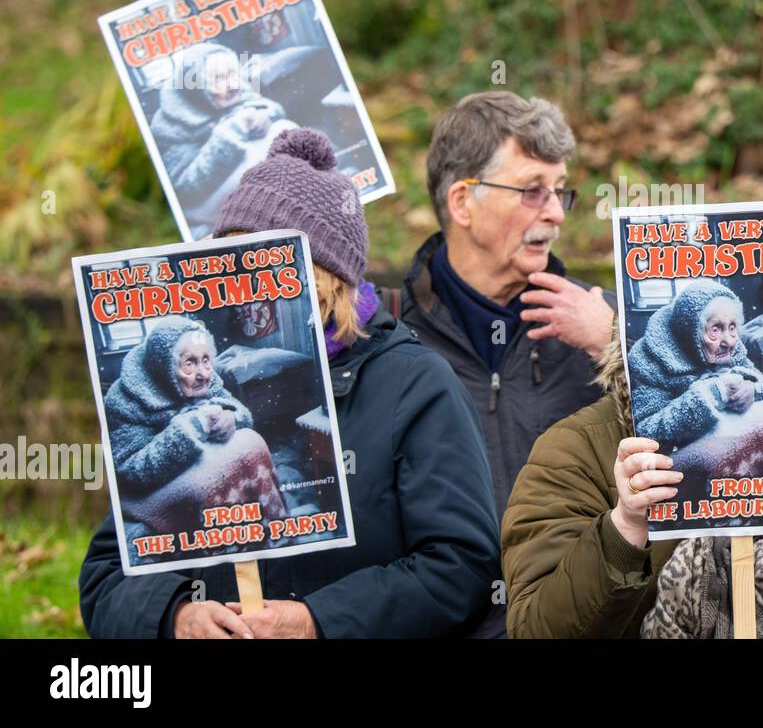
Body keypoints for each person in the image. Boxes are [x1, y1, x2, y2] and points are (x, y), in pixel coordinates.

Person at [80, 129, 500, 638]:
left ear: (328, 280)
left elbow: (463, 566)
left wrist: (316, 622)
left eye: (265, 264)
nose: (243, 290)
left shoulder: (413, 383)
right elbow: (105, 577)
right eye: (228, 262)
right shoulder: (184, 386)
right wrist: (174, 617)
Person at [500, 338, 763, 638]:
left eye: (729, 336)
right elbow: (538, 627)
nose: (714, 353)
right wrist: (623, 529)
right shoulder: (577, 450)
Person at [394, 91, 616, 636]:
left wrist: (616, 345)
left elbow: (696, 462)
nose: (557, 212)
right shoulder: (391, 336)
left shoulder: (604, 320)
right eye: (532, 191)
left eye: (561, 191)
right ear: (463, 202)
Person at [103, 317, 287, 535]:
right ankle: (227, 548)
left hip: (193, 465)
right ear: (163, 365)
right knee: (209, 481)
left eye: (206, 360)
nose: (204, 374)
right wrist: (187, 429)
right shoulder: (125, 398)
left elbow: (240, 411)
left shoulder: (207, 376)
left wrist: (231, 416)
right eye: (189, 363)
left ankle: (273, 532)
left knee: (251, 442)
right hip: (150, 492)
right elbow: (131, 473)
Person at [625, 280, 763, 498]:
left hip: (721, 437)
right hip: (674, 460)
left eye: (732, 328)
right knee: (721, 450)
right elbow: (648, 434)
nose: (729, 342)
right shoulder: (650, 359)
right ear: (691, 330)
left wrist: (752, 388)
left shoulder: (731, 345)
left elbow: (760, 383)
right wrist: (707, 396)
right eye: (715, 329)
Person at [149, 42, 297, 230]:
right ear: (195, 87)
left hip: (244, 186)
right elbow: (185, 189)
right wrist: (228, 135)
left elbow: (267, 106)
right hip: (204, 204)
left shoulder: (233, 91)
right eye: (218, 79)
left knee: (284, 129)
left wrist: (264, 114)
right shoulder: (168, 124)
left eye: (232, 74)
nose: (233, 85)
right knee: (262, 157)